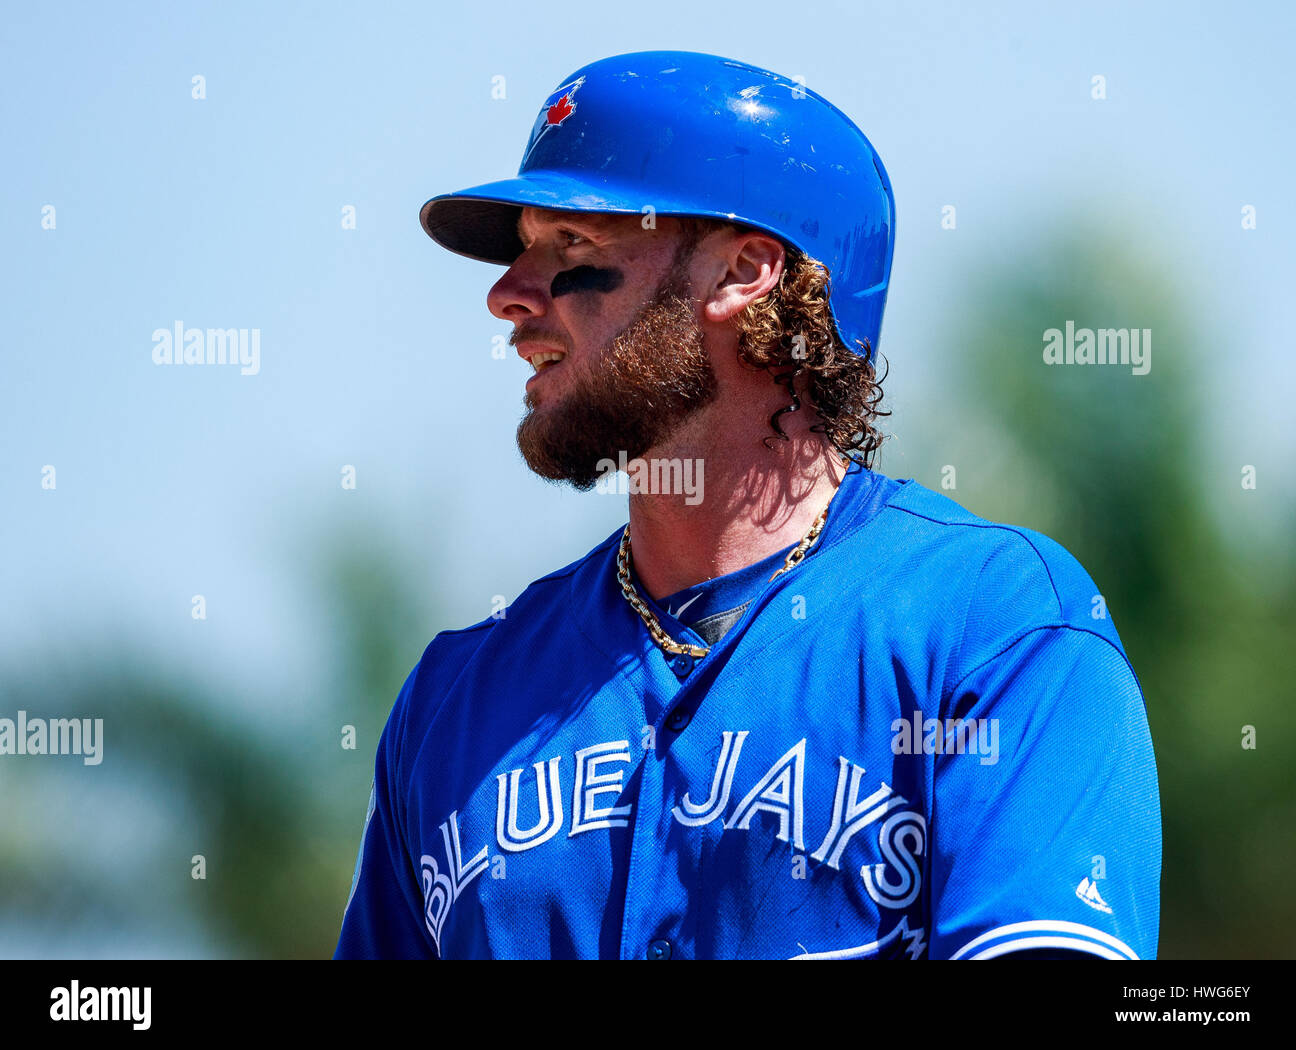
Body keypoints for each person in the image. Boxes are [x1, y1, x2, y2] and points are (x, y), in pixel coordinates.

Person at [333, 50, 1161, 960]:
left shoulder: (990, 624)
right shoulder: (452, 702)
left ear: (744, 271)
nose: (506, 295)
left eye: (572, 246)